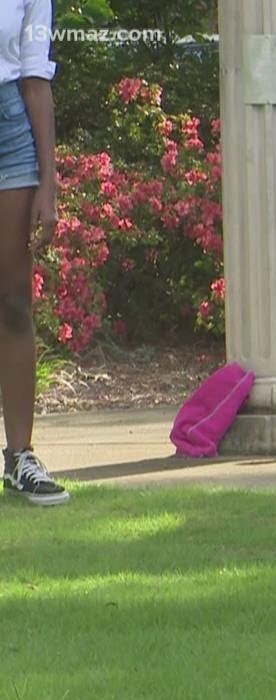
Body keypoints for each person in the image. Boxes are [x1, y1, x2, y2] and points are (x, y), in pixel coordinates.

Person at [0, 0, 67, 505]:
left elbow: (34, 78)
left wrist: (49, 181)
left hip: (11, 131)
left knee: (14, 302)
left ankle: (20, 456)